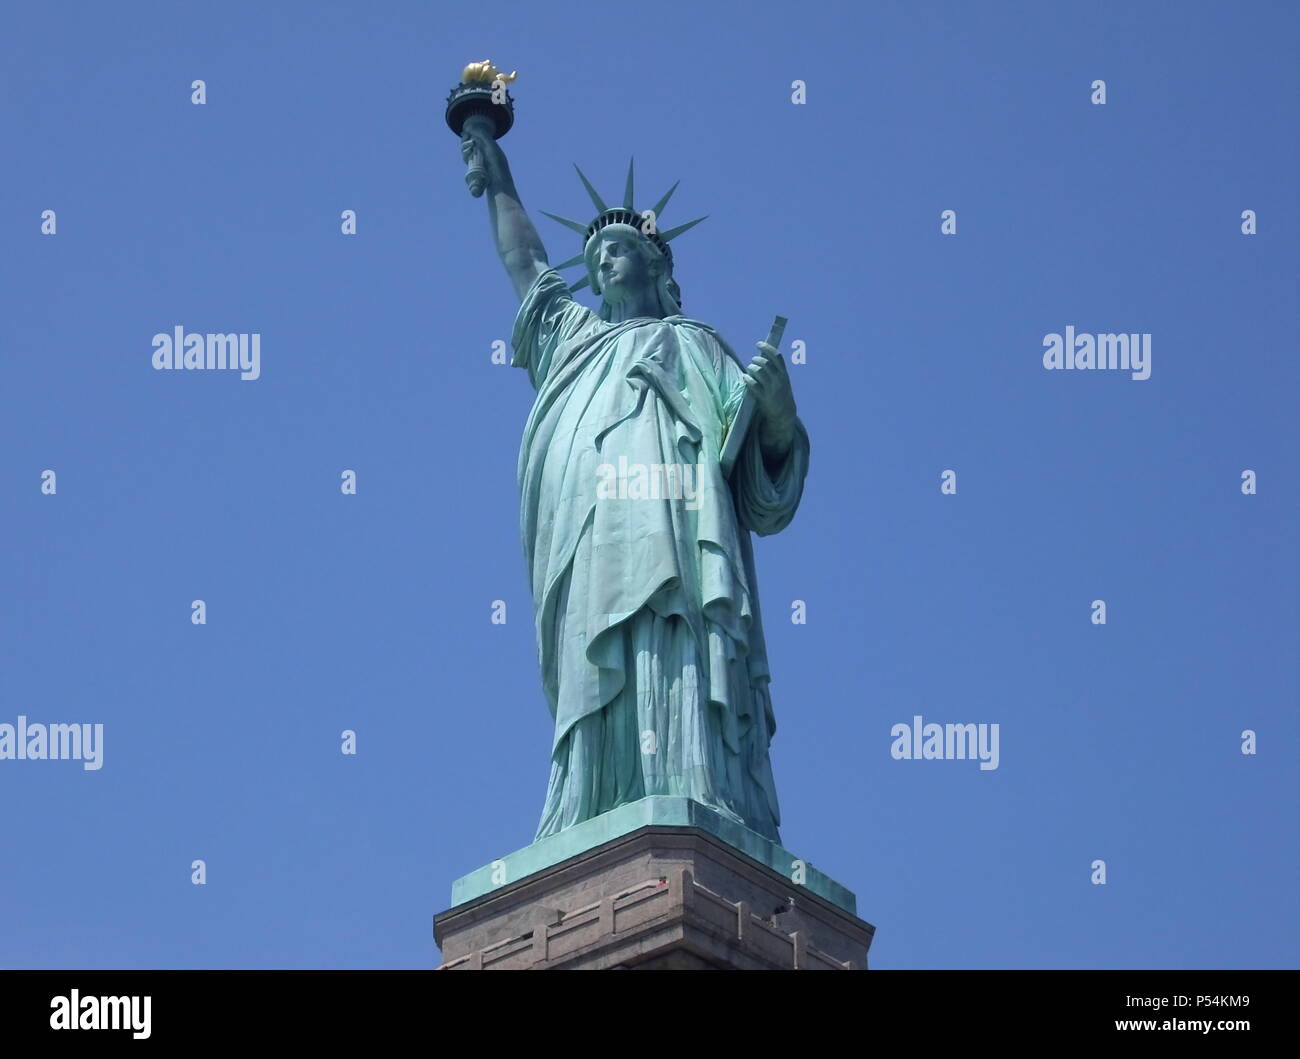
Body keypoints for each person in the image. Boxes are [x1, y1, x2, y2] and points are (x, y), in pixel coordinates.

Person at [460, 120, 810, 843]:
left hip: (679, 540)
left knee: (673, 644)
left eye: (619, 250)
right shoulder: (574, 342)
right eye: (595, 256)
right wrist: (496, 180)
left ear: (656, 265)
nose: (604, 263)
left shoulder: (698, 344)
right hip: (593, 538)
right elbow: (527, 266)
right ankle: (591, 800)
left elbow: (758, 488)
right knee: (601, 658)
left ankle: (694, 782)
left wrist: (775, 414)